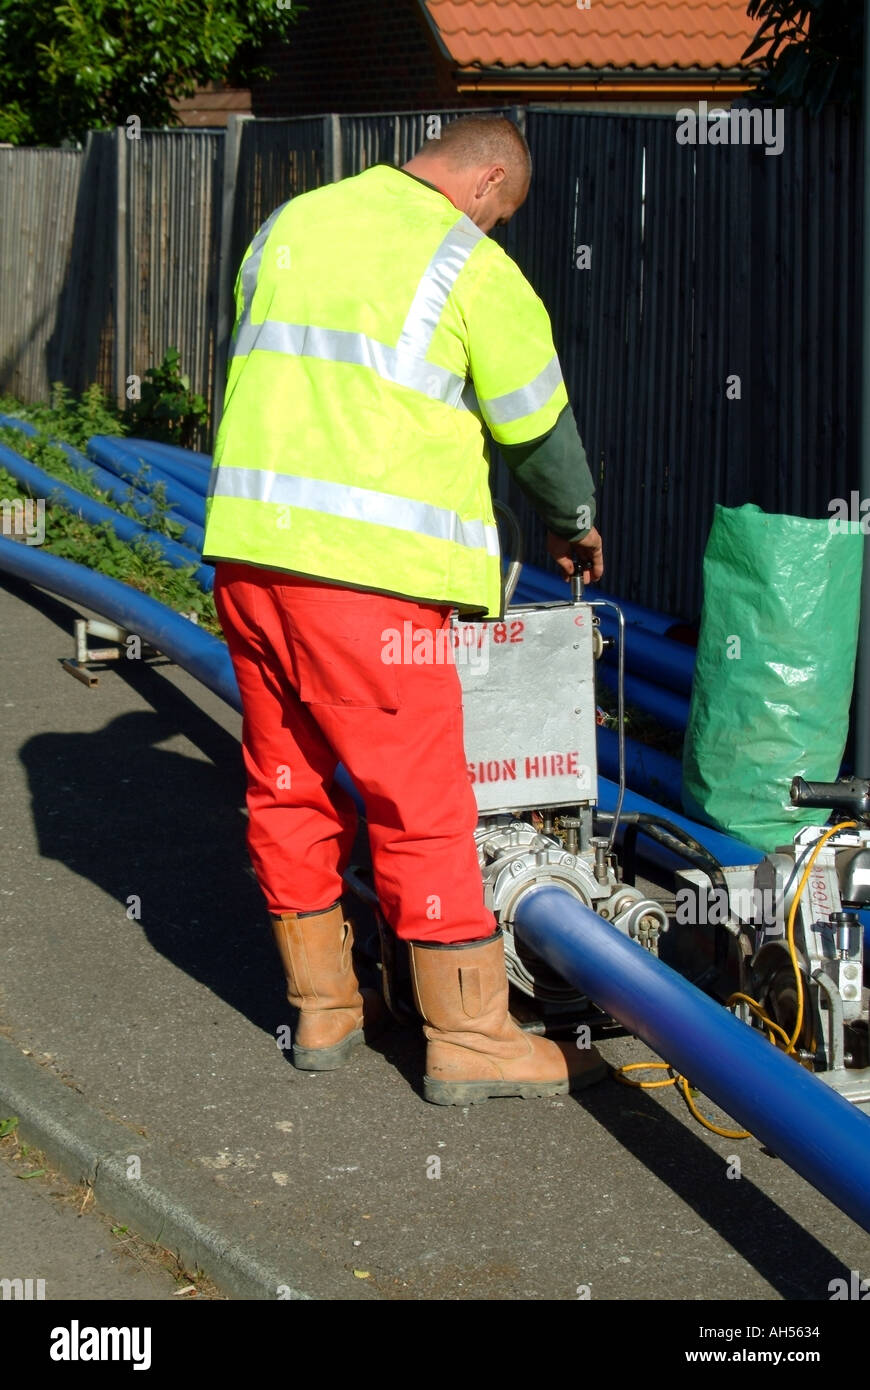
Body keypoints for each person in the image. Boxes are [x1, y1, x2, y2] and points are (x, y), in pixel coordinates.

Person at [202, 115, 607, 1105]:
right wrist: (575, 522)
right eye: (501, 211)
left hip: (250, 556)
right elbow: (538, 426)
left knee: (288, 782)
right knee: (418, 800)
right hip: (366, 582)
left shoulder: (292, 224)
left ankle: (327, 1007)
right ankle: (469, 1032)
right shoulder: (468, 262)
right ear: (489, 180)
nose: (495, 226)